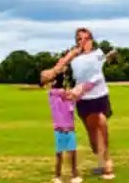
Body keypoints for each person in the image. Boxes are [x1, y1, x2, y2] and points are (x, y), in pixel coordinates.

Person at [50, 28, 118, 179]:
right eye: (79, 39)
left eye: (86, 39)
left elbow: (98, 73)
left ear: (91, 41)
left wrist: (112, 56)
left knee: (101, 123)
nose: (83, 42)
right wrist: (68, 57)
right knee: (93, 138)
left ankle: (107, 163)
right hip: (83, 101)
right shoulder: (74, 58)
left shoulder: (98, 54)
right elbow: (60, 68)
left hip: (99, 96)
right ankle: (100, 159)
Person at [40, 68, 83, 183]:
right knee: (60, 154)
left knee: (71, 152)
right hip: (60, 128)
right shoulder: (55, 93)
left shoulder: (64, 94)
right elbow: (71, 94)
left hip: (69, 127)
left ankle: (73, 175)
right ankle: (58, 175)